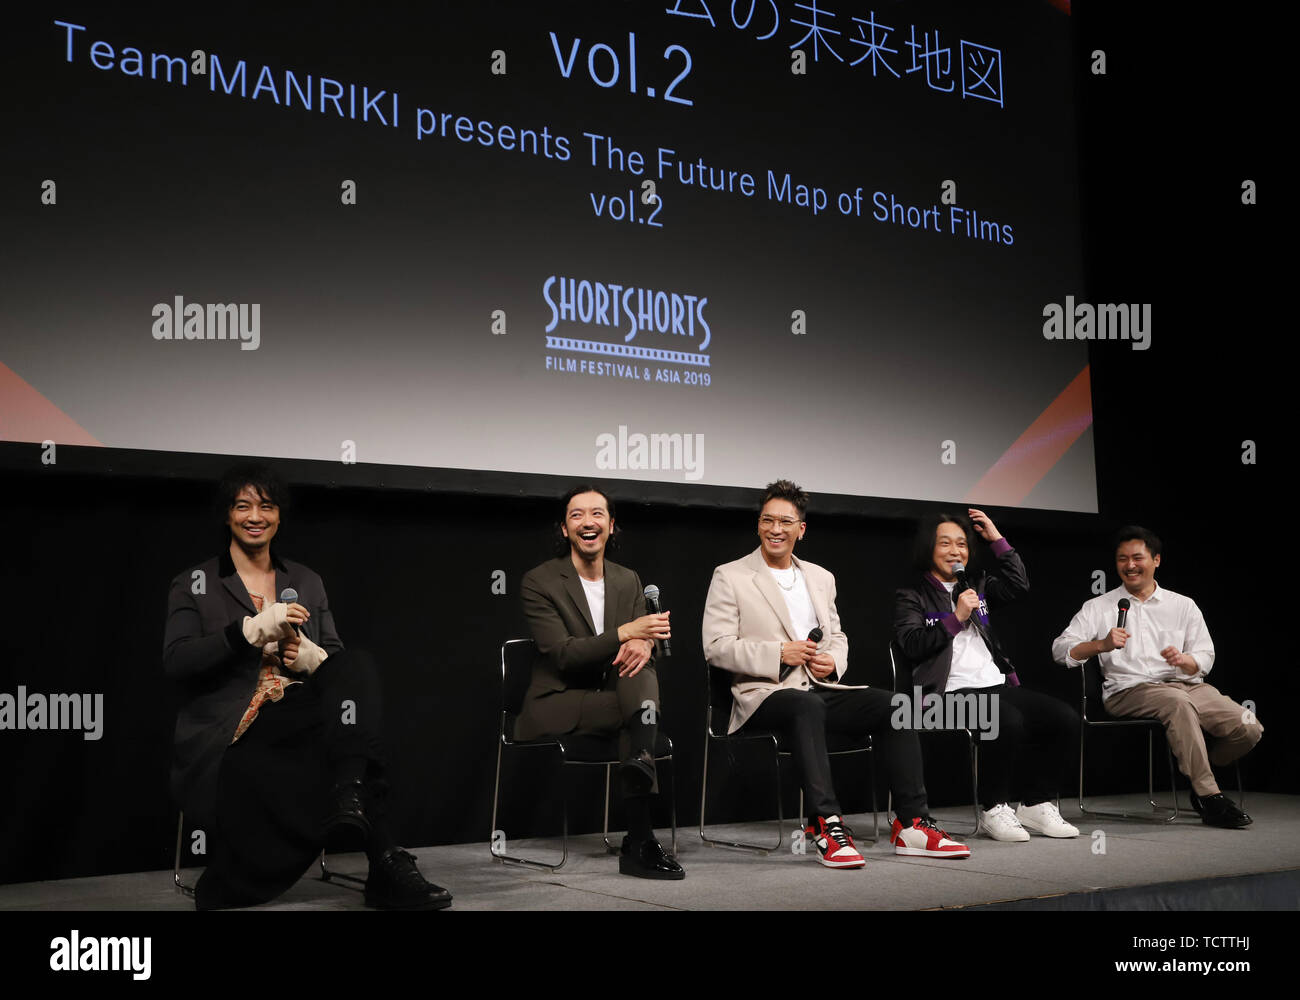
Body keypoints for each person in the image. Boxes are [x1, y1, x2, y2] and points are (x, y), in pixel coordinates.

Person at [163, 464, 451, 909]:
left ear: (279, 516)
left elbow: (341, 669)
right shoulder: (194, 583)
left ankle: (350, 795)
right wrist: (248, 632)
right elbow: (177, 661)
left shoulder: (306, 581)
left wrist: (311, 658)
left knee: (356, 667)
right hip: (234, 729)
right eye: (242, 506)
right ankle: (385, 858)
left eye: (266, 506)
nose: (255, 516)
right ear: (227, 515)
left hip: (300, 713)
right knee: (356, 741)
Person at [702, 479, 969, 868]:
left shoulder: (820, 577)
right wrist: (779, 653)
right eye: (767, 520)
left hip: (819, 688)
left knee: (896, 706)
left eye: (785, 522)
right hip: (763, 694)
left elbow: (837, 637)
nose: (775, 529)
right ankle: (826, 825)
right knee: (805, 706)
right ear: (758, 524)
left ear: (801, 529)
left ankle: (912, 824)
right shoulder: (731, 575)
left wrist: (832, 661)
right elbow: (716, 646)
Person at [518, 485, 683, 879]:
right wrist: (628, 633)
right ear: (564, 529)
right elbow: (564, 654)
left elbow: (641, 645)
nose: (587, 522)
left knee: (639, 671)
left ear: (611, 525)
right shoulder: (539, 581)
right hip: (557, 700)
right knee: (636, 718)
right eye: (576, 515)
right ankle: (640, 840)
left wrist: (645, 642)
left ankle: (640, 772)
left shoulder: (628, 579)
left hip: (614, 694)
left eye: (597, 514)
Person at [1052, 525, 1261, 828]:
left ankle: (1201, 772)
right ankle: (1210, 796)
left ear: (1156, 560)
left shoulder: (1183, 605)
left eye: (1137, 557)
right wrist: (1101, 645)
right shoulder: (1099, 607)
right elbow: (1060, 650)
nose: (1130, 565)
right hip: (1129, 690)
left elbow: (1205, 655)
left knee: (1248, 727)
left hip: (1188, 686)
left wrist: (1186, 661)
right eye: (1122, 559)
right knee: (1176, 703)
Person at [894, 510, 1079, 842]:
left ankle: (1036, 803)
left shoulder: (976, 584)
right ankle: (994, 808)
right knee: (1005, 720)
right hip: (940, 697)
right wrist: (956, 617)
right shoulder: (912, 594)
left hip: (994, 685)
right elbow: (912, 645)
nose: (955, 551)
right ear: (929, 548)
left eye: (962, 544)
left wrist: (996, 539)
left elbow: (1018, 586)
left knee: (1063, 718)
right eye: (945, 543)